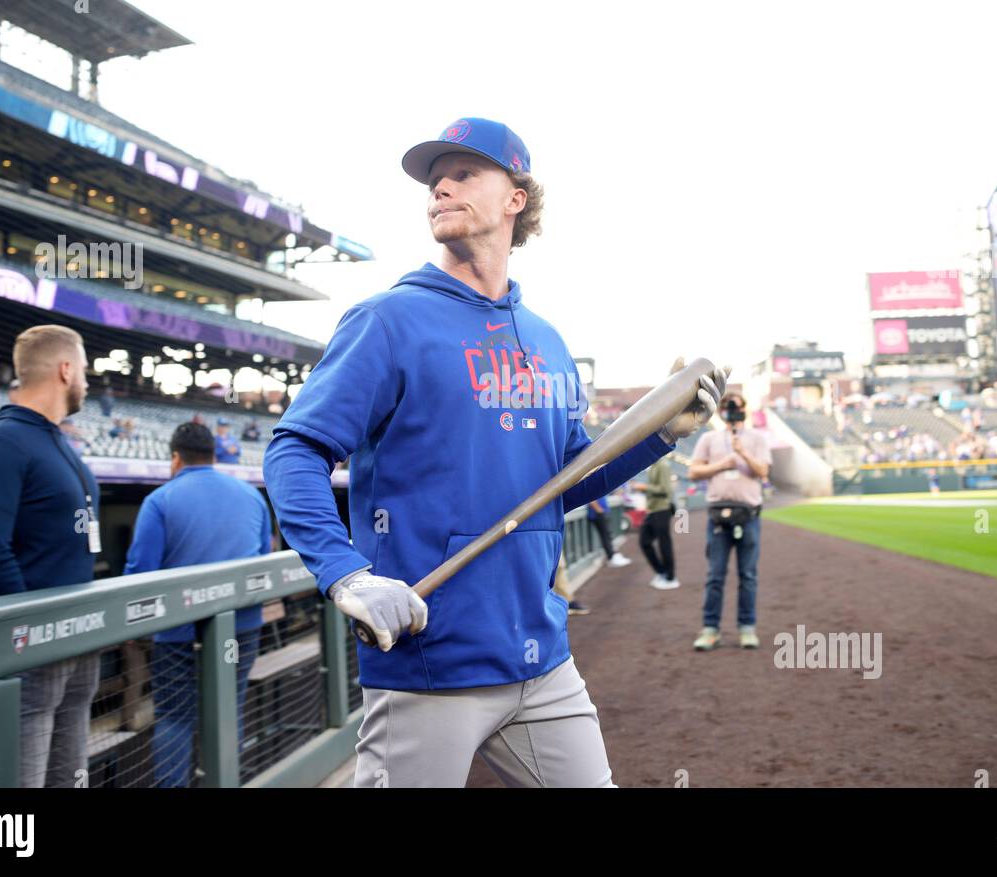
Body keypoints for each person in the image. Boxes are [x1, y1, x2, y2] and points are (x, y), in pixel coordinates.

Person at [264, 117, 727, 788]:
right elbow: (293, 451)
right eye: (433, 179)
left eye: (463, 173)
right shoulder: (388, 320)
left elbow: (565, 482)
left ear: (517, 197)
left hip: (542, 658)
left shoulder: (547, 340)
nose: (440, 188)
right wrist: (347, 574)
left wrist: (662, 434)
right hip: (431, 663)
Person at [0, 324, 101, 788]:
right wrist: (29, 628)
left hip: (77, 632)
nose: (87, 380)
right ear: (65, 370)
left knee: (70, 774)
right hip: (35, 642)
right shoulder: (3, 441)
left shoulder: (56, 437)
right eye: (83, 369)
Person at [123, 422, 271, 787]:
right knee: (228, 708)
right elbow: (264, 560)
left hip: (179, 632)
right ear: (213, 454)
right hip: (241, 628)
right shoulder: (250, 495)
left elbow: (139, 573)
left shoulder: (161, 499)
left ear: (175, 457)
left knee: (174, 718)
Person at [686, 392, 771, 651]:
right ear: (720, 411)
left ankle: (747, 628)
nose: (731, 410)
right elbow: (693, 472)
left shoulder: (757, 439)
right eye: (726, 406)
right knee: (715, 575)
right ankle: (711, 630)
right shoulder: (709, 438)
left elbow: (763, 472)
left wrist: (742, 452)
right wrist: (721, 465)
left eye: (736, 406)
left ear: (745, 409)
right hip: (718, 517)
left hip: (749, 516)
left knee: (748, 575)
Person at [635, 455, 678, 589]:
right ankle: (661, 572)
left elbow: (666, 490)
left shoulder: (663, 465)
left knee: (664, 544)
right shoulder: (654, 464)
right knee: (644, 542)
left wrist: (644, 487)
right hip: (653, 509)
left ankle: (670, 577)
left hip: (662, 509)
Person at [587, 495, 631, 568]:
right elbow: (590, 498)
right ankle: (611, 557)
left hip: (601, 512)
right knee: (605, 536)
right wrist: (599, 510)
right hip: (597, 513)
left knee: (607, 535)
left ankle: (612, 555)